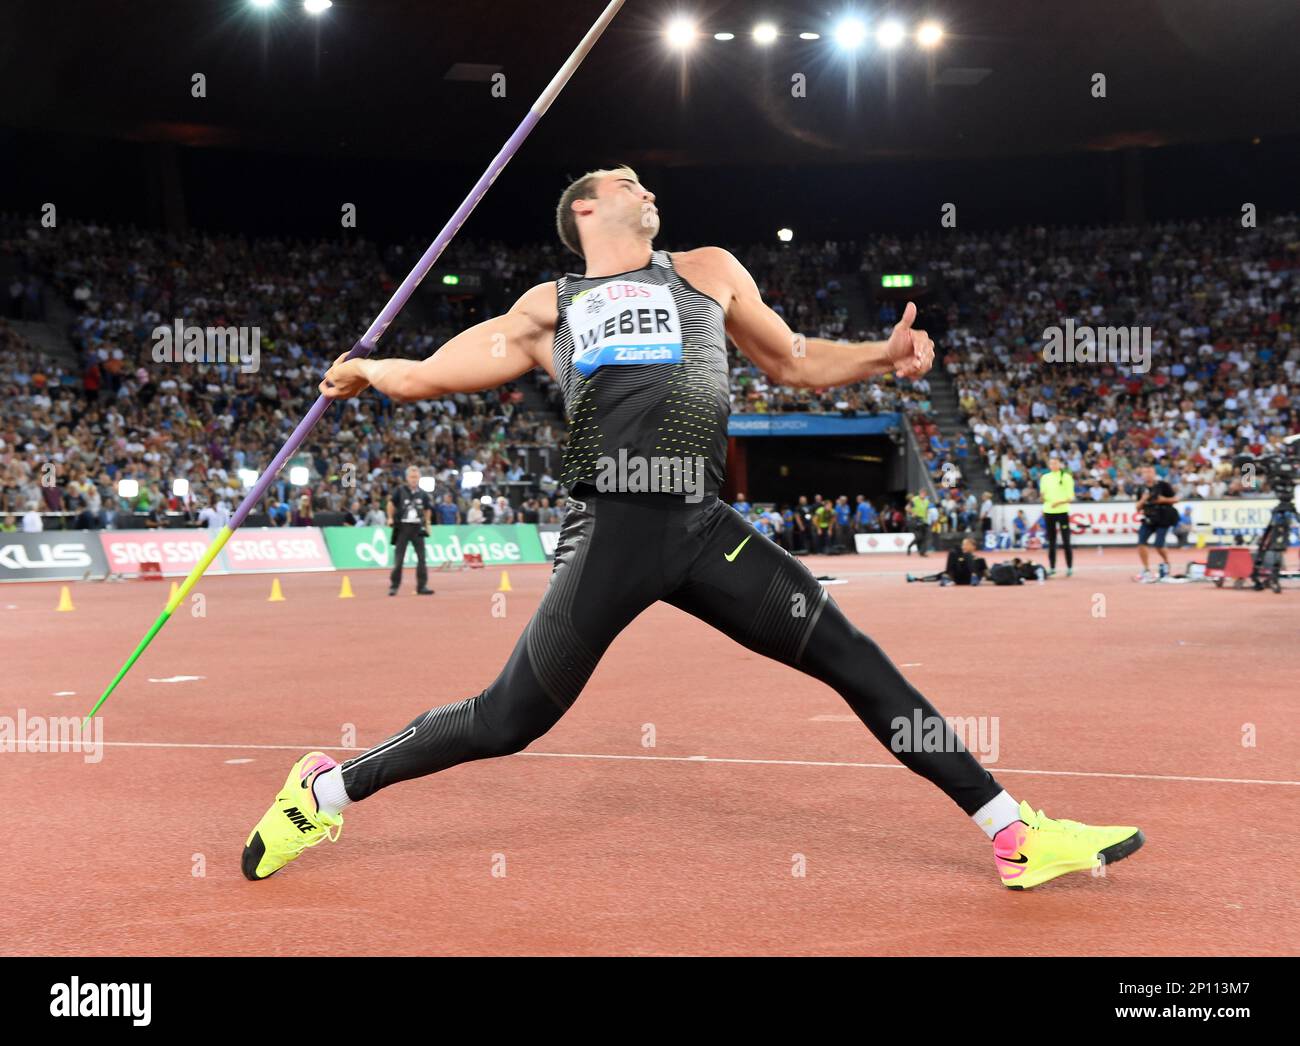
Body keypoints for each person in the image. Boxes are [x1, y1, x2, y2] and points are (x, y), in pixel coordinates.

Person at [243, 164, 1142, 891]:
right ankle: (323, 788)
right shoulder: (546, 309)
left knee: (854, 657)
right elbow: (435, 371)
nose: (647, 186)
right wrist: (372, 370)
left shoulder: (706, 269)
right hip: (611, 526)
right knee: (507, 719)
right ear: (588, 207)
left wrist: (881, 353)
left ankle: (1013, 833)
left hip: (703, 526)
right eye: (627, 180)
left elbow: (790, 360)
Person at [387, 466, 434, 596]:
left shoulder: (423, 494)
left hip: (418, 528)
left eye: (416, 477)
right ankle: (394, 586)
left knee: (422, 558)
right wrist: (390, 518)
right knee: (399, 559)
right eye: (412, 477)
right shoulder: (400, 491)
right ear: (407, 478)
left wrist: (428, 523)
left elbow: (427, 509)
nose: (414, 480)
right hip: (402, 527)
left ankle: (422, 586)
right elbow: (391, 504)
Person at [1134, 465, 1179, 581]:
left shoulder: (1163, 485)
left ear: (1154, 473)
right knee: (1141, 542)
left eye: (1150, 472)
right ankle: (1146, 569)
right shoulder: (1141, 489)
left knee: (1158, 544)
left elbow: (1176, 499)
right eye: (1145, 472)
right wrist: (1143, 499)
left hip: (1163, 518)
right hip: (1149, 518)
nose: (1148, 474)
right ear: (1142, 475)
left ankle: (1166, 562)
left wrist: (1163, 500)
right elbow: (1137, 508)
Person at [1038, 455, 1074, 577]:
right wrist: (1042, 498)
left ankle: (1069, 567)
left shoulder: (1066, 477)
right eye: (1051, 463)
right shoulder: (1045, 477)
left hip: (1062, 511)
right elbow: (1042, 494)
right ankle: (1052, 567)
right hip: (1049, 512)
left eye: (1055, 463)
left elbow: (1070, 497)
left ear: (1059, 464)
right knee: (1051, 541)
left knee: (1066, 541)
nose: (1053, 465)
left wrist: (1058, 502)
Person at [907, 537, 988, 586]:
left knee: (967, 555)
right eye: (963, 544)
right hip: (958, 577)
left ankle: (973, 576)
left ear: (973, 546)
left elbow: (988, 575)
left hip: (970, 579)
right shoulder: (961, 557)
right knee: (953, 553)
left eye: (966, 544)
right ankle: (915, 579)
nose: (963, 546)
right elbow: (939, 575)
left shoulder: (980, 560)